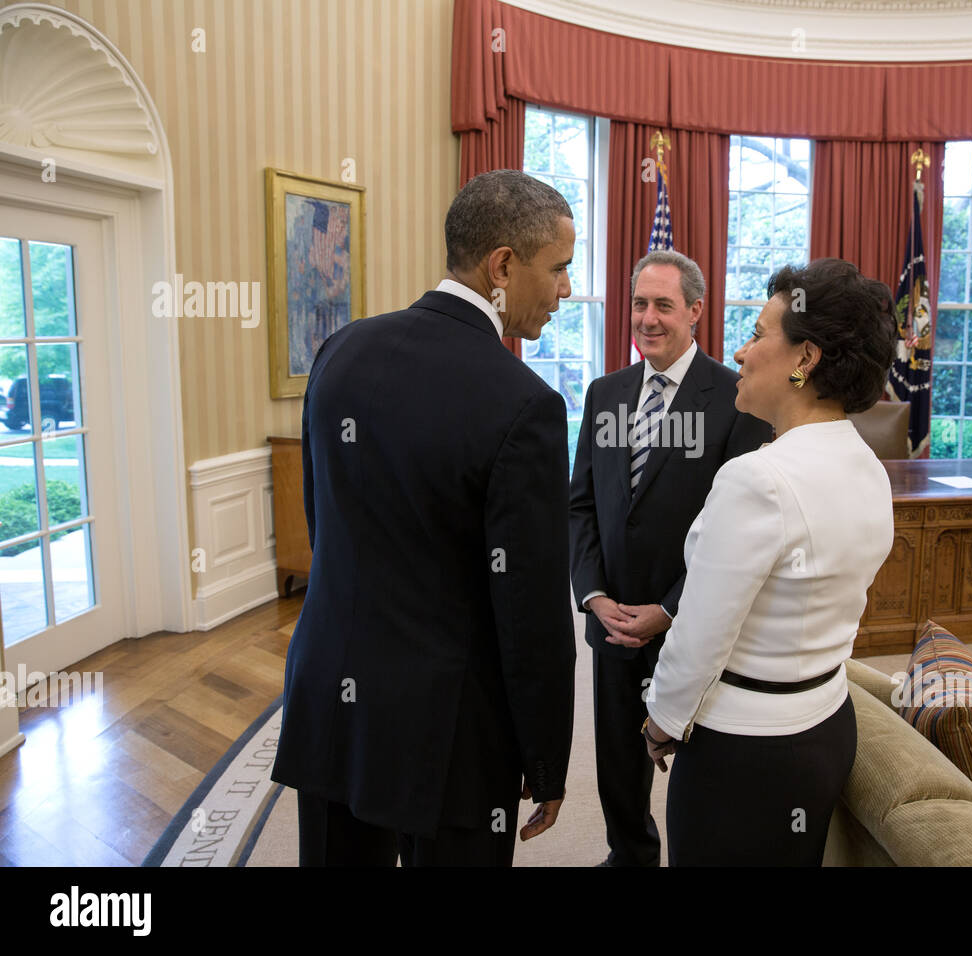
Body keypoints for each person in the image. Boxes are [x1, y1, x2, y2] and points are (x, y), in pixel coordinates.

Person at [271, 169, 577, 866]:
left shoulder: (339, 351)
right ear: (503, 265)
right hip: (449, 735)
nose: (564, 289)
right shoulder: (525, 405)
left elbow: (326, 528)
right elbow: (529, 613)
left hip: (328, 696)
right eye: (557, 268)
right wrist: (546, 758)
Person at [642, 257, 897, 866]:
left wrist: (661, 721)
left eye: (757, 334)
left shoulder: (757, 477)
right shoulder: (869, 466)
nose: (740, 350)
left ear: (804, 359)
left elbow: (703, 632)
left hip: (745, 752)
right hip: (826, 725)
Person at [569, 250, 771, 866]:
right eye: (638, 303)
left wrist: (668, 609)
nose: (647, 318)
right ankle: (628, 855)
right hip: (611, 622)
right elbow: (581, 506)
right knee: (618, 762)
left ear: (695, 311)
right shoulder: (605, 393)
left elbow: (740, 533)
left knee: (699, 768)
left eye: (662, 304)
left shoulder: (737, 398)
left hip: (695, 623)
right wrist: (593, 595)